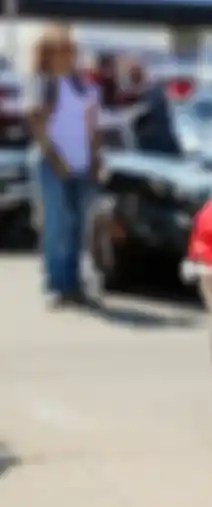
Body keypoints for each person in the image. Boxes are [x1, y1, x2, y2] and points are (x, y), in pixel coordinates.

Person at [25, 26, 101, 309]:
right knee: (56, 225)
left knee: (78, 226)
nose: (71, 56)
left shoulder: (83, 84)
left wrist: (95, 159)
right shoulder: (45, 84)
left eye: (72, 51)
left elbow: (92, 127)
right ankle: (56, 285)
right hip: (52, 163)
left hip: (81, 164)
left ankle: (74, 283)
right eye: (64, 51)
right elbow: (38, 124)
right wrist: (56, 160)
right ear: (49, 55)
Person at [128, 62, 181, 156]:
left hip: (159, 144)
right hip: (154, 145)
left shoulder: (154, 92)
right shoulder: (148, 93)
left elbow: (144, 112)